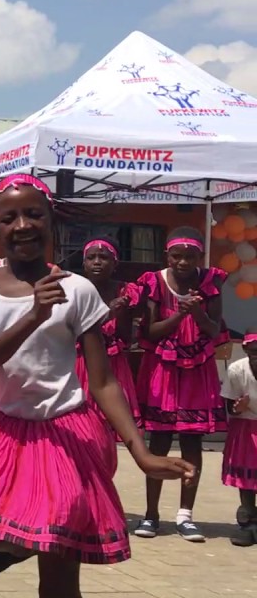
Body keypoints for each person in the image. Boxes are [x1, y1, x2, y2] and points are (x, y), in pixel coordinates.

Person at [0, 174, 194, 598]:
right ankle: (17, 541)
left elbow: (104, 381)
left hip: (66, 434)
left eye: (34, 214)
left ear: (50, 219)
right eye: (10, 217)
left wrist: (141, 452)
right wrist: (34, 315)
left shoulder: (77, 290)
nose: (23, 225)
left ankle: (34, 538)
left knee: (58, 581)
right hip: (2, 432)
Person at [134, 226, 227, 542]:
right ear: (167, 256)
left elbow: (214, 330)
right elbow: (151, 332)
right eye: (177, 256)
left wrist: (197, 312)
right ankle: (151, 514)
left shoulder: (211, 283)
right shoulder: (155, 283)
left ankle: (185, 516)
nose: (183, 262)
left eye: (190, 257)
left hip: (196, 371)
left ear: (200, 256)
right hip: (163, 368)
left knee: (191, 443)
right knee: (158, 442)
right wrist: (179, 316)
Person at [75, 239, 141, 436]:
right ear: (83, 263)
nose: (97, 262)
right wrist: (107, 313)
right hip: (80, 365)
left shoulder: (125, 292)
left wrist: (120, 314)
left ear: (115, 263)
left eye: (103, 258)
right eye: (91, 257)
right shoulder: (73, 289)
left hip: (112, 367)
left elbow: (125, 338)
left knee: (109, 429)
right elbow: (71, 333)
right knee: (81, 430)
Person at [223, 331, 257, 547]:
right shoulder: (236, 370)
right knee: (246, 478)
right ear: (245, 349)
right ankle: (247, 522)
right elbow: (229, 407)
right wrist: (238, 408)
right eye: (254, 352)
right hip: (245, 426)